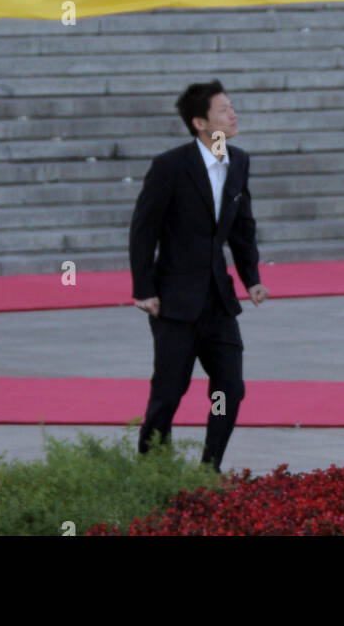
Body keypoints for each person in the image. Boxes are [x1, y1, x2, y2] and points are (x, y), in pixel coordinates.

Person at [129, 79, 269, 471]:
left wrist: (251, 278)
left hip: (219, 301)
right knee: (169, 393)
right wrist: (144, 288)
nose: (233, 114)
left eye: (232, 106)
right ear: (200, 123)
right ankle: (153, 470)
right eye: (224, 110)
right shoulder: (171, 166)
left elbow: (243, 227)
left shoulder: (238, 161)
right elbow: (144, 229)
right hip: (174, 299)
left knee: (230, 388)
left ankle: (210, 468)